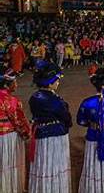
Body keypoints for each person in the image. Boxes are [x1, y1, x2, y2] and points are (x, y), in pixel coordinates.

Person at [29, 61, 72, 193]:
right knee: (56, 164)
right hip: (56, 135)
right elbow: (66, 118)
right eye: (57, 80)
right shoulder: (56, 100)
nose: (58, 83)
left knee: (42, 162)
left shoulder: (34, 97)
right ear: (49, 83)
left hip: (40, 133)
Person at [0, 67, 31, 193]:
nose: (17, 85)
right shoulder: (11, 101)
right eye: (15, 82)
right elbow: (19, 122)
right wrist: (27, 133)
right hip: (7, 137)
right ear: (8, 84)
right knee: (8, 164)